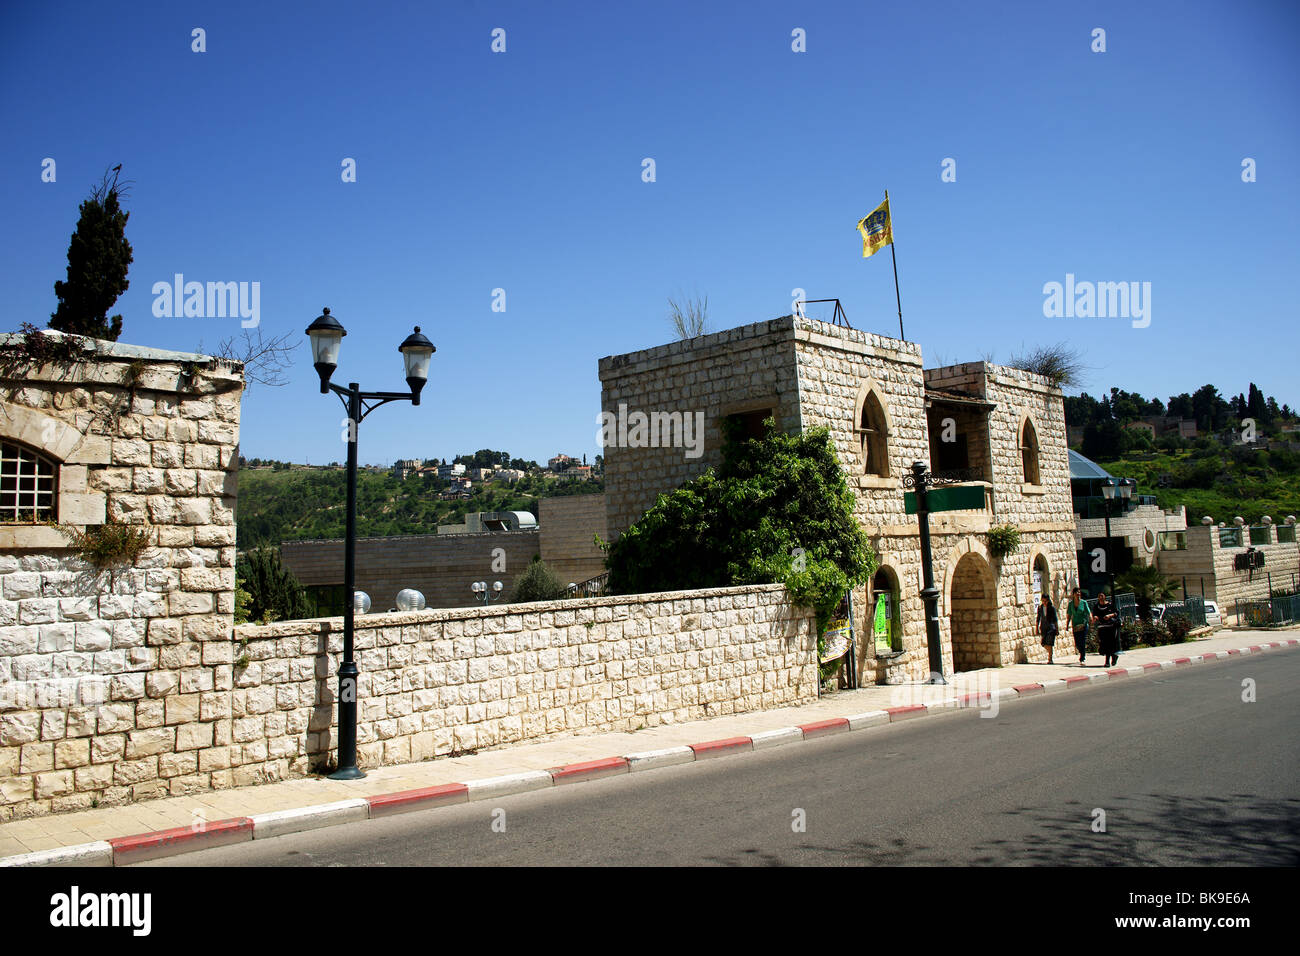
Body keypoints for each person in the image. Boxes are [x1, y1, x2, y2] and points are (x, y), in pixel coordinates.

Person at [1092, 591, 1121, 667]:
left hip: (1110, 627)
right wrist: (1095, 617)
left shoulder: (1110, 605)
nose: (1100, 598)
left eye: (1102, 596)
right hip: (1102, 627)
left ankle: (1107, 661)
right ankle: (1114, 656)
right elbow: (1094, 614)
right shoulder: (1096, 606)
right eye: (1099, 596)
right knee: (1103, 644)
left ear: (1105, 596)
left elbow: (1116, 613)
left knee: (1109, 644)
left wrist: (1110, 615)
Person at [1065, 587, 1090, 664]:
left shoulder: (1084, 603)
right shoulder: (1070, 604)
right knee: (1077, 643)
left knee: (1082, 641)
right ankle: (1081, 652)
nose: (1078, 594)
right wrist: (1067, 625)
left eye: (1079, 593)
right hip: (1075, 626)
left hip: (1083, 624)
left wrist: (1091, 618)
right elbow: (1069, 615)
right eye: (1076, 593)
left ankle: (1082, 657)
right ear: (1073, 594)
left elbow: (1088, 612)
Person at [1035, 594, 1059, 664]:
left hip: (1051, 627)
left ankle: (1050, 658)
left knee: (1050, 642)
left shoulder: (1052, 608)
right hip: (1043, 627)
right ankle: (1050, 654)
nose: (1044, 602)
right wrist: (1037, 628)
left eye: (1045, 601)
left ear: (1048, 600)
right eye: (1043, 601)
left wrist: (1057, 629)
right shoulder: (1040, 608)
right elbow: (1038, 618)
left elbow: (1055, 619)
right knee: (1043, 643)